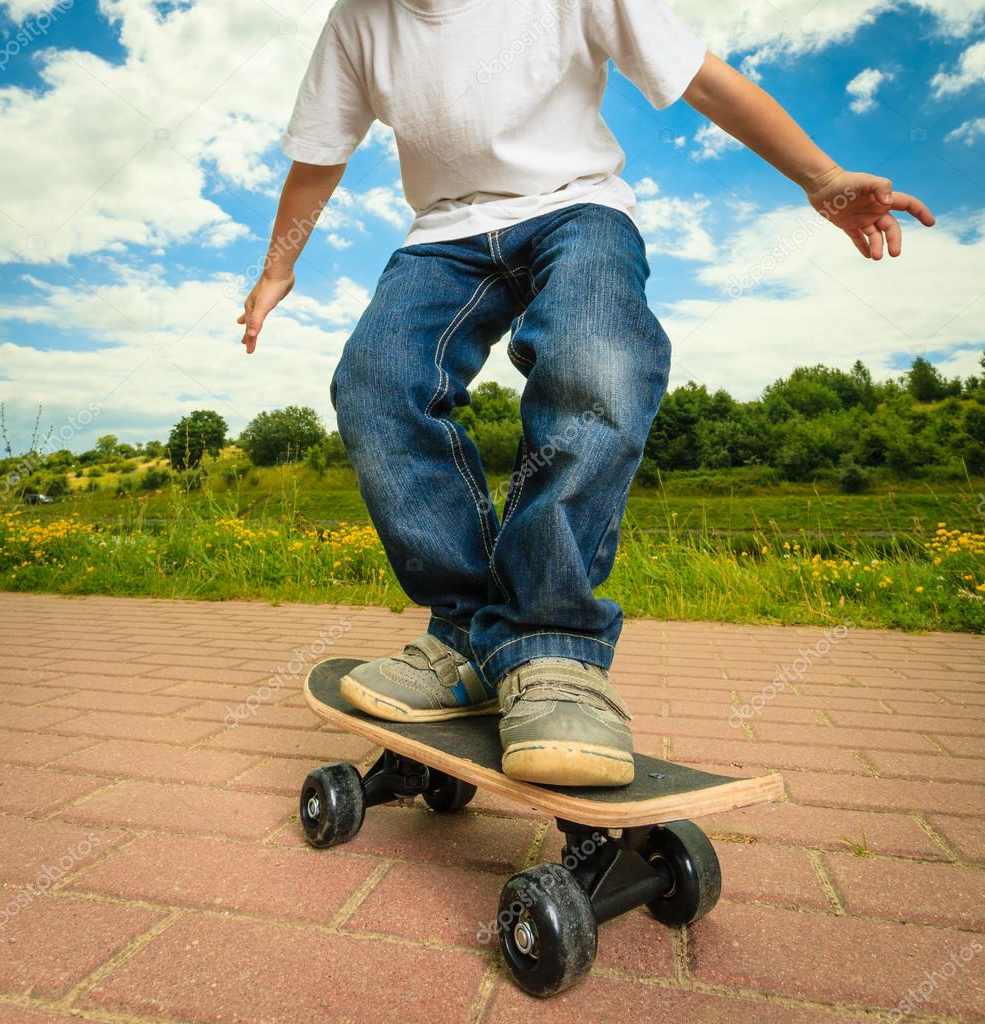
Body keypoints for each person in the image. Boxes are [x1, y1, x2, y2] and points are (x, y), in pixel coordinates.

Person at [237, 0, 934, 788]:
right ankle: (470, 636)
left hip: (580, 208)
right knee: (375, 382)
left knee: (595, 360)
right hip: (444, 234)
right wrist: (276, 267)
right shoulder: (358, 21)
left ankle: (552, 646)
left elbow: (700, 80)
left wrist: (825, 179)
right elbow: (321, 154)